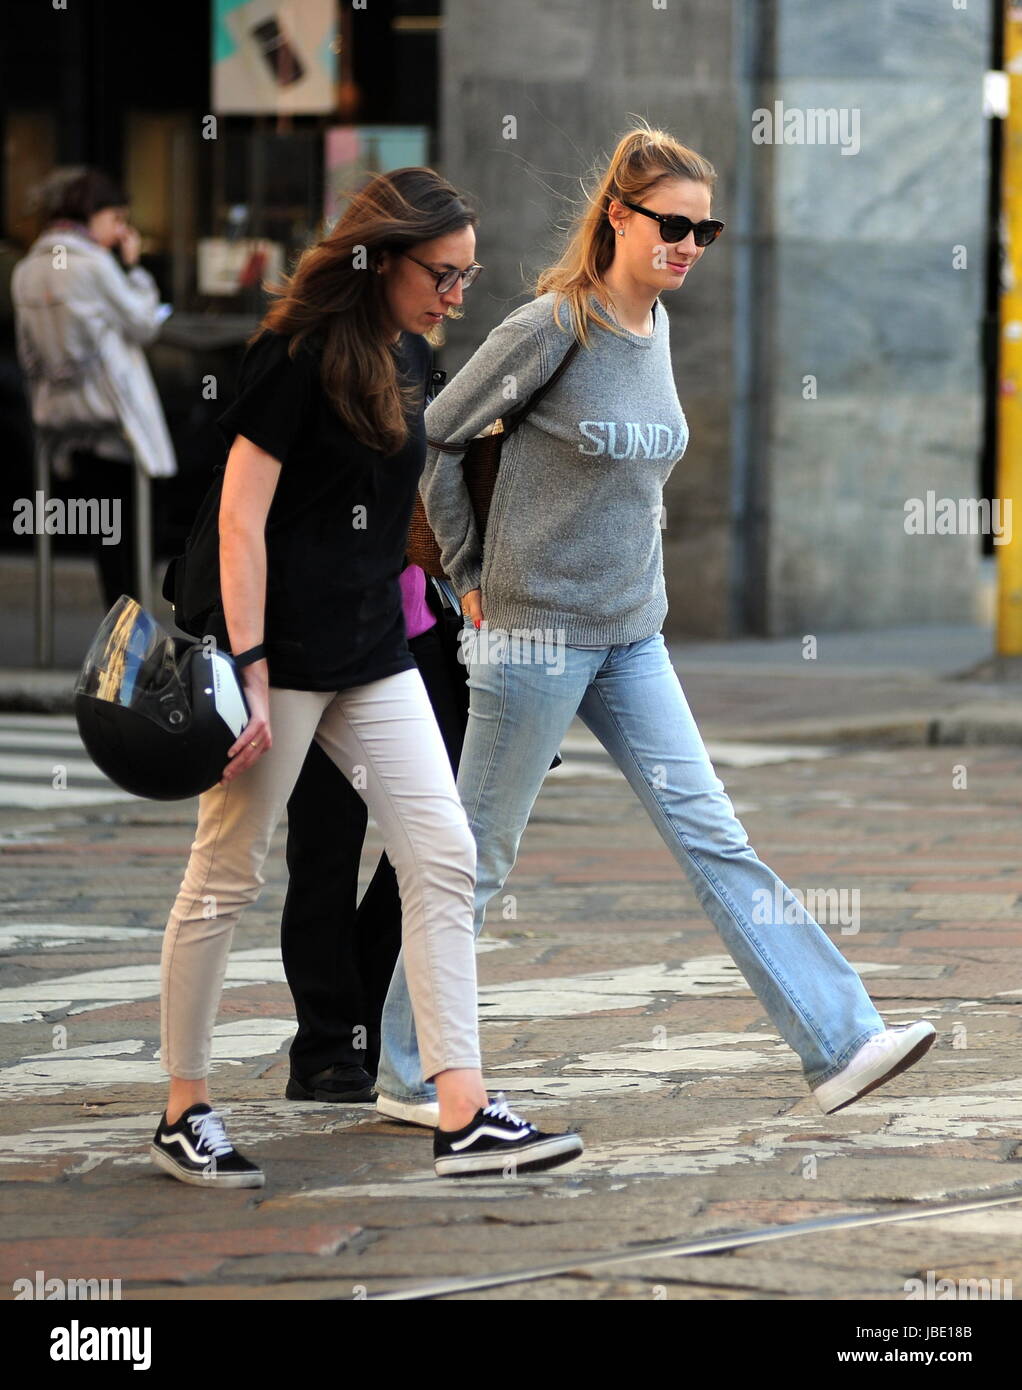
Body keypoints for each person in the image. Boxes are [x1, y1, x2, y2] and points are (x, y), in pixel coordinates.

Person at [375, 125, 936, 1125]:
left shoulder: (655, 329)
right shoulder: (550, 325)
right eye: (671, 225)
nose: (686, 244)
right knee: (477, 857)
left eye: (703, 229)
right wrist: (468, 577)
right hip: (533, 634)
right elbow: (441, 436)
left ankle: (842, 1042)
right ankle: (410, 1070)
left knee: (713, 833)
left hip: (632, 635)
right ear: (617, 219)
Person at [150, 167, 583, 1188]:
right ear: (378, 258)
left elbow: (406, 511)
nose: (455, 293)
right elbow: (239, 518)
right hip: (285, 655)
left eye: (468, 275)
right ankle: (183, 1107)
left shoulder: (414, 355)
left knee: (440, 853)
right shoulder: (291, 358)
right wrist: (249, 670)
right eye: (442, 272)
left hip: (371, 653)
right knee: (226, 872)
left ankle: (463, 1107)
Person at [281, 566, 468, 1104]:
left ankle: (364, 1004)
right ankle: (326, 1049)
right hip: (321, 642)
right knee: (326, 849)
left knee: (443, 836)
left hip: (418, 631)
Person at [11, 166, 176, 608]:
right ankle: (127, 635)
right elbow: (144, 322)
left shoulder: (28, 268)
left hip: (64, 418)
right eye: (117, 219)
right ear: (93, 214)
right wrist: (135, 268)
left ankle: (120, 631)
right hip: (111, 416)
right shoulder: (93, 264)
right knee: (129, 531)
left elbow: (27, 352)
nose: (122, 230)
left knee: (106, 528)